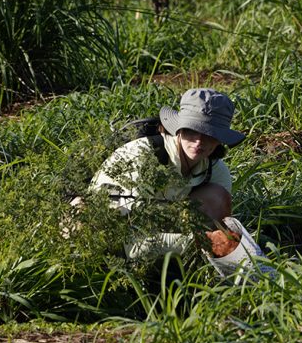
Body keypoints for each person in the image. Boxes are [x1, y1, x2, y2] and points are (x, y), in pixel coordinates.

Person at [77, 87, 244, 257]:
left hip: (159, 221)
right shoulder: (141, 156)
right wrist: (201, 241)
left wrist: (226, 241)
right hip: (116, 231)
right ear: (179, 129)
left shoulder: (215, 169)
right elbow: (128, 241)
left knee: (217, 197)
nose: (199, 141)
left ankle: (199, 262)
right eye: (192, 130)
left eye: (210, 134)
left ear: (220, 140)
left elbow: (223, 225)